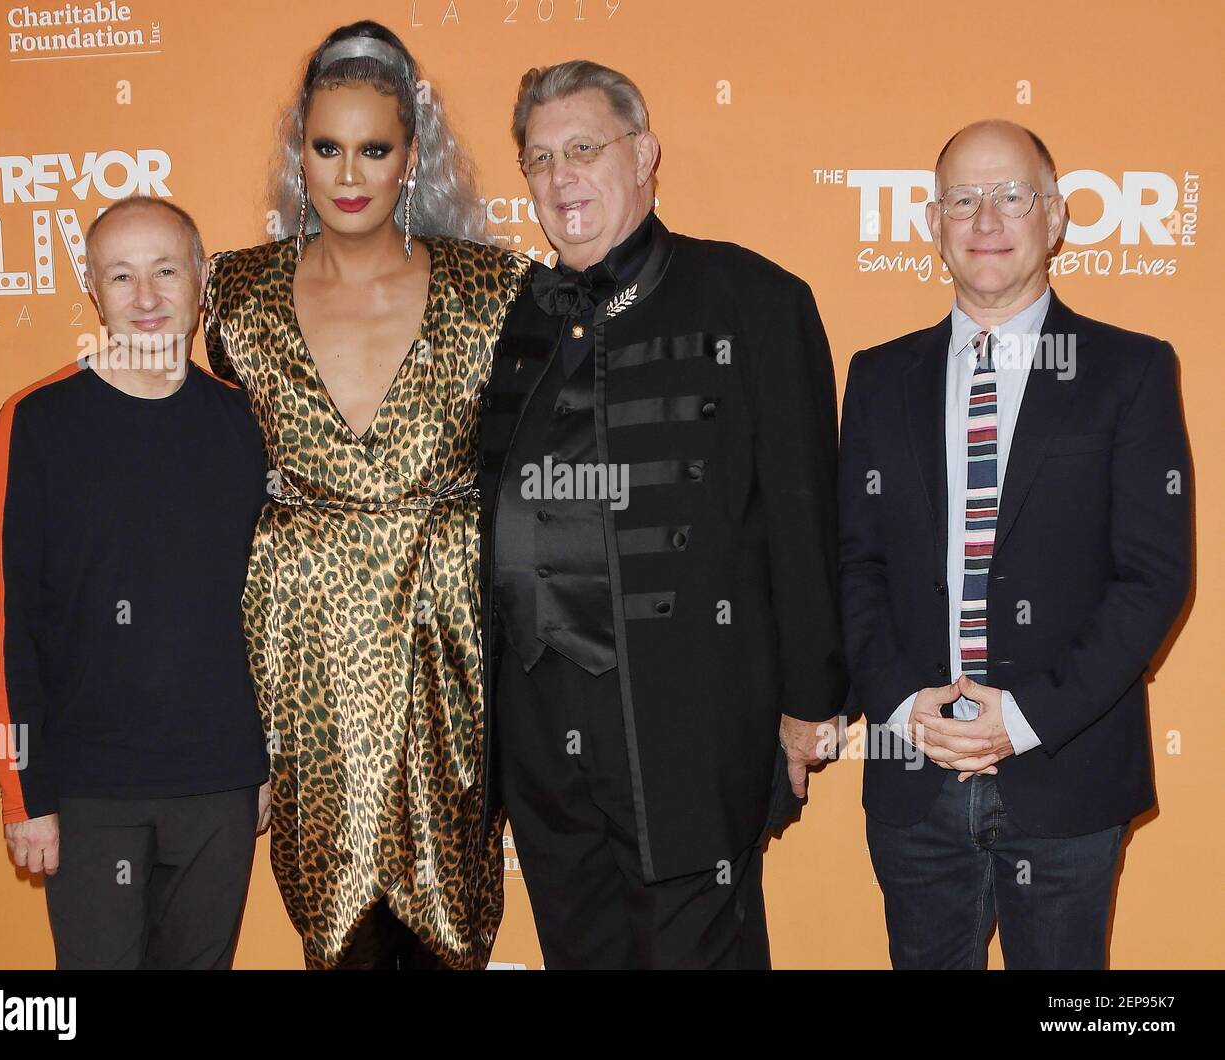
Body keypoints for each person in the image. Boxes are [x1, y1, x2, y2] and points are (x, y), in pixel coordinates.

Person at [476, 60, 847, 969]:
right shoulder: (506, 319)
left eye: (584, 148)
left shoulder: (755, 300)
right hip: (539, 729)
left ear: (644, 154)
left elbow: (804, 518)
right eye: (540, 158)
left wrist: (809, 705)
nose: (560, 176)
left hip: (691, 718)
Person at [202, 20, 531, 970]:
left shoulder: (496, 290)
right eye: (327, 147)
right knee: (333, 925)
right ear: (298, 154)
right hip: (302, 650)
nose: (349, 174)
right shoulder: (234, 295)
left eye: (375, 150)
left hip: (448, 642)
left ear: (412, 157)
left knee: (449, 923)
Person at [838, 120, 1192, 969]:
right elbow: (853, 564)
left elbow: (1152, 577)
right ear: (933, 223)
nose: (986, 220)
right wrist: (901, 708)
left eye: (1012, 196)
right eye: (963, 199)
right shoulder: (878, 377)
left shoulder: (1130, 371)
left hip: (1068, 773)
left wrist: (1026, 718)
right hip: (914, 778)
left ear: (1057, 216)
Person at [0, 195, 270, 969]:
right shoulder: (35, 423)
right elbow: (7, 624)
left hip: (219, 785)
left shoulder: (248, 425)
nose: (146, 298)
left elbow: (275, 615)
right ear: (93, 288)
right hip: (87, 792)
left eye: (166, 271)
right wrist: (25, 796)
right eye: (121, 275)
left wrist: (266, 763)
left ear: (200, 277)